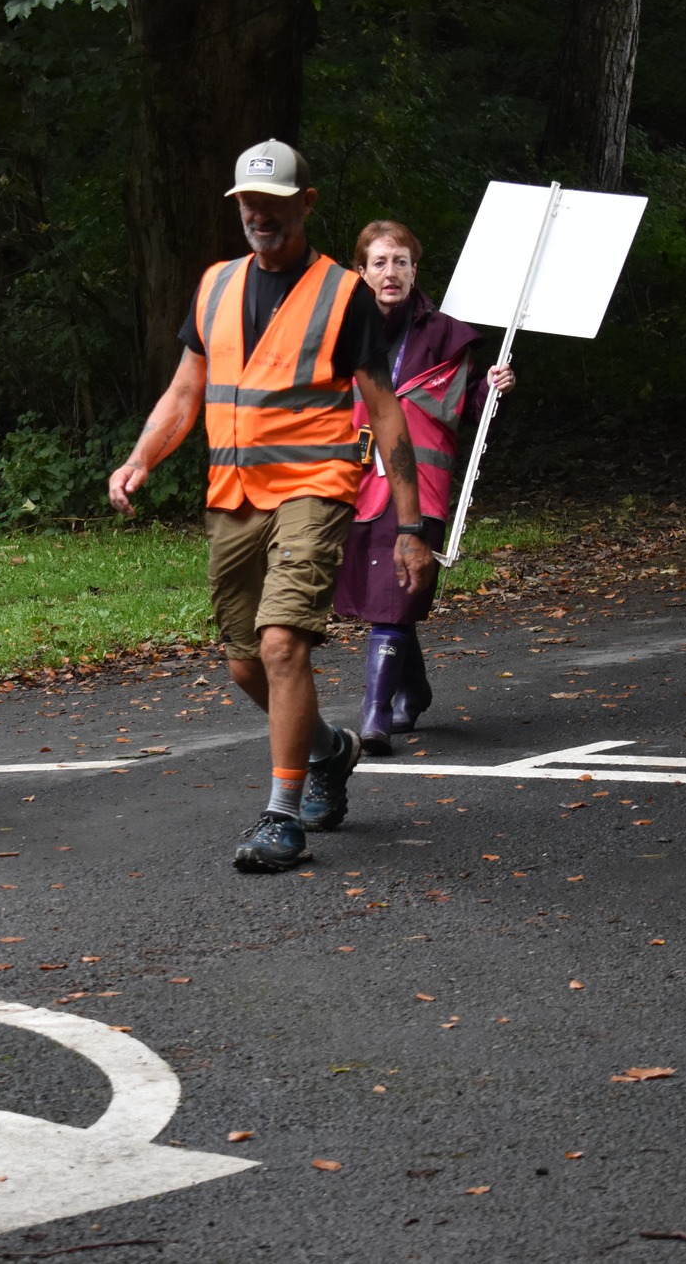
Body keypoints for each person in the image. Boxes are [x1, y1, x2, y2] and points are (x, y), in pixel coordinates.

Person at [108, 141, 432, 873]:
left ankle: (281, 817)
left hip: (315, 487)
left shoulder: (343, 293)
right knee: (247, 664)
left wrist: (411, 526)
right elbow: (185, 391)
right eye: (248, 203)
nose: (258, 215)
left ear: (305, 205)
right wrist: (139, 458)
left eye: (275, 203)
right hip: (233, 493)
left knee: (284, 642)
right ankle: (329, 749)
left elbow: (384, 413)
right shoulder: (215, 285)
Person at [333, 220, 515, 755]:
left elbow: (466, 413)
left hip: (422, 485)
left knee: (397, 589)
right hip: (357, 481)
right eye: (381, 263)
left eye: (402, 262)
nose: (392, 273)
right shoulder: (340, 330)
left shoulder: (443, 334)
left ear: (416, 271)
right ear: (361, 271)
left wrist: (490, 389)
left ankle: (374, 717)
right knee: (383, 595)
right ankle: (413, 690)